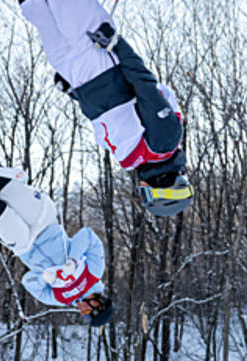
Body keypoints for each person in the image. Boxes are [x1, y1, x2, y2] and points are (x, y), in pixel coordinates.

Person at [18, 0, 193, 216]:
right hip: (99, 58)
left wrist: (74, 92)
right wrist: (116, 44)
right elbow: (144, 85)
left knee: (37, 11)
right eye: (148, 195)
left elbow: (107, 116)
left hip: (76, 73)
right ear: (165, 187)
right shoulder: (165, 141)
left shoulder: (131, 159)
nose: (141, 190)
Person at [0, 146, 114, 326]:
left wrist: (45, 277)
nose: (82, 313)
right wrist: (73, 261)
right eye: (88, 314)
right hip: (45, 222)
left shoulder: (61, 298)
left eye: (85, 317)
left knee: (4, 223)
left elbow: (28, 283)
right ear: (98, 304)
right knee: (12, 192)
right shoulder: (95, 271)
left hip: (26, 246)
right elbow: (88, 236)